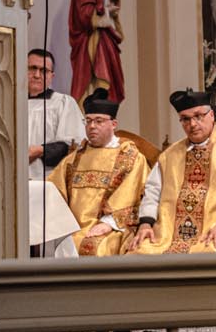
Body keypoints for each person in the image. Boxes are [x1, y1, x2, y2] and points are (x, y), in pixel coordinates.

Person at [129, 88, 216, 255]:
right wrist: (145, 224)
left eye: (198, 116)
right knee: (139, 252)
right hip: (166, 236)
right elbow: (152, 193)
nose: (192, 124)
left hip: (213, 233)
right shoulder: (169, 156)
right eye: (185, 119)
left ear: (212, 115)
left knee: (210, 255)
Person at [47, 88, 148, 256]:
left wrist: (108, 223)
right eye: (88, 121)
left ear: (113, 124)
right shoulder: (74, 158)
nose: (92, 126)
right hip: (72, 228)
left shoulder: (129, 156)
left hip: (112, 228)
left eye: (99, 121)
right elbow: (53, 190)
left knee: (98, 248)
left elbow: (129, 195)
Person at [26, 49, 85, 258]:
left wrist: (39, 150)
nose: (37, 74)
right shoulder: (9, 101)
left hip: (48, 179)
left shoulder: (63, 103)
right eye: (32, 68)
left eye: (44, 70)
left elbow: (73, 145)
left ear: (52, 76)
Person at [69, 0, 125, 104]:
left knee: (108, 91)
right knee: (95, 87)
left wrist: (113, 9)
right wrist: (107, 10)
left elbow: (102, 10)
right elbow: (84, 14)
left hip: (104, 41)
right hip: (92, 44)